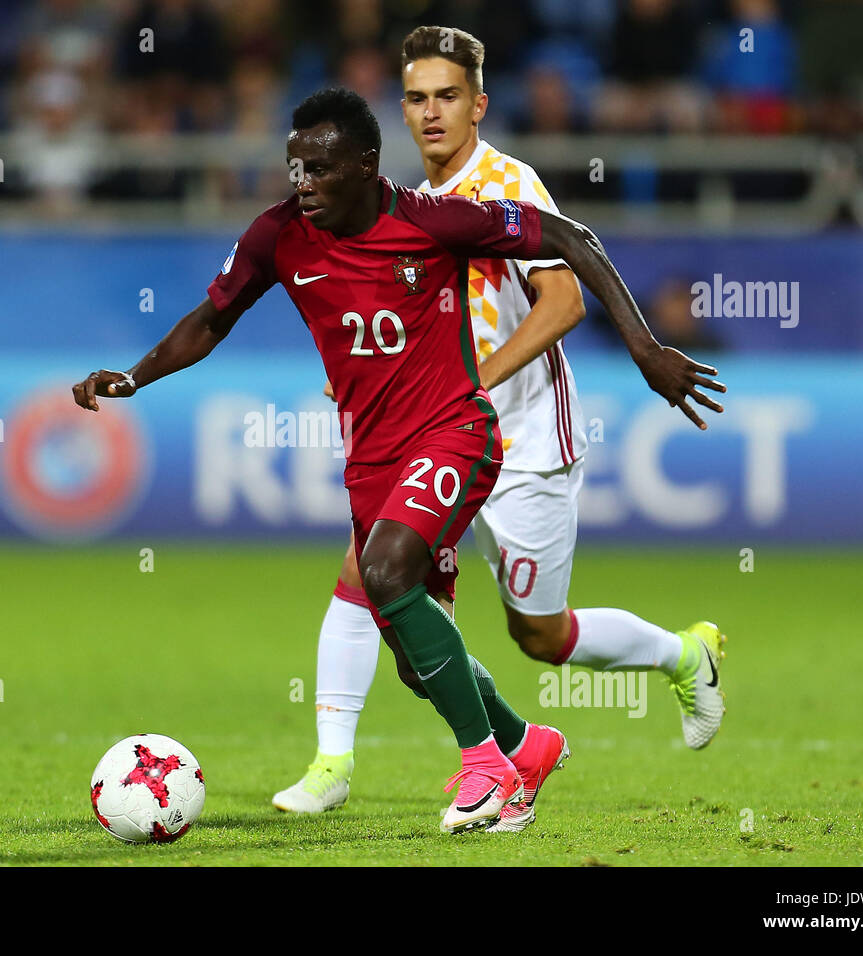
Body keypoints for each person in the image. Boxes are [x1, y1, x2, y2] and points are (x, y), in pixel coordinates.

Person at [75, 86, 721, 833]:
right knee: (417, 661)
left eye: (319, 169)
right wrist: (134, 375)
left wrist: (644, 347)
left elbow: (573, 238)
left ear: (365, 164)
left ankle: (483, 770)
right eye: (295, 169)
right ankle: (525, 742)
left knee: (381, 572)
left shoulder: (432, 220)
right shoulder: (277, 236)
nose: (304, 185)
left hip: (454, 432)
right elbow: (211, 319)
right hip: (373, 461)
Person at [271, 28, 727, 831]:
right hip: (439, 441)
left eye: (448, 96)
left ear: (478, 104)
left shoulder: (510, 183)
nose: (431, 112)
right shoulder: (404, 198)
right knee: (374, 578)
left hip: (526, 450)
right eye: (416, 98)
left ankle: (683, 657)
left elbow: (564, 301)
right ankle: (335, 761)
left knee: (542, 636)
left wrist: (467, 384)